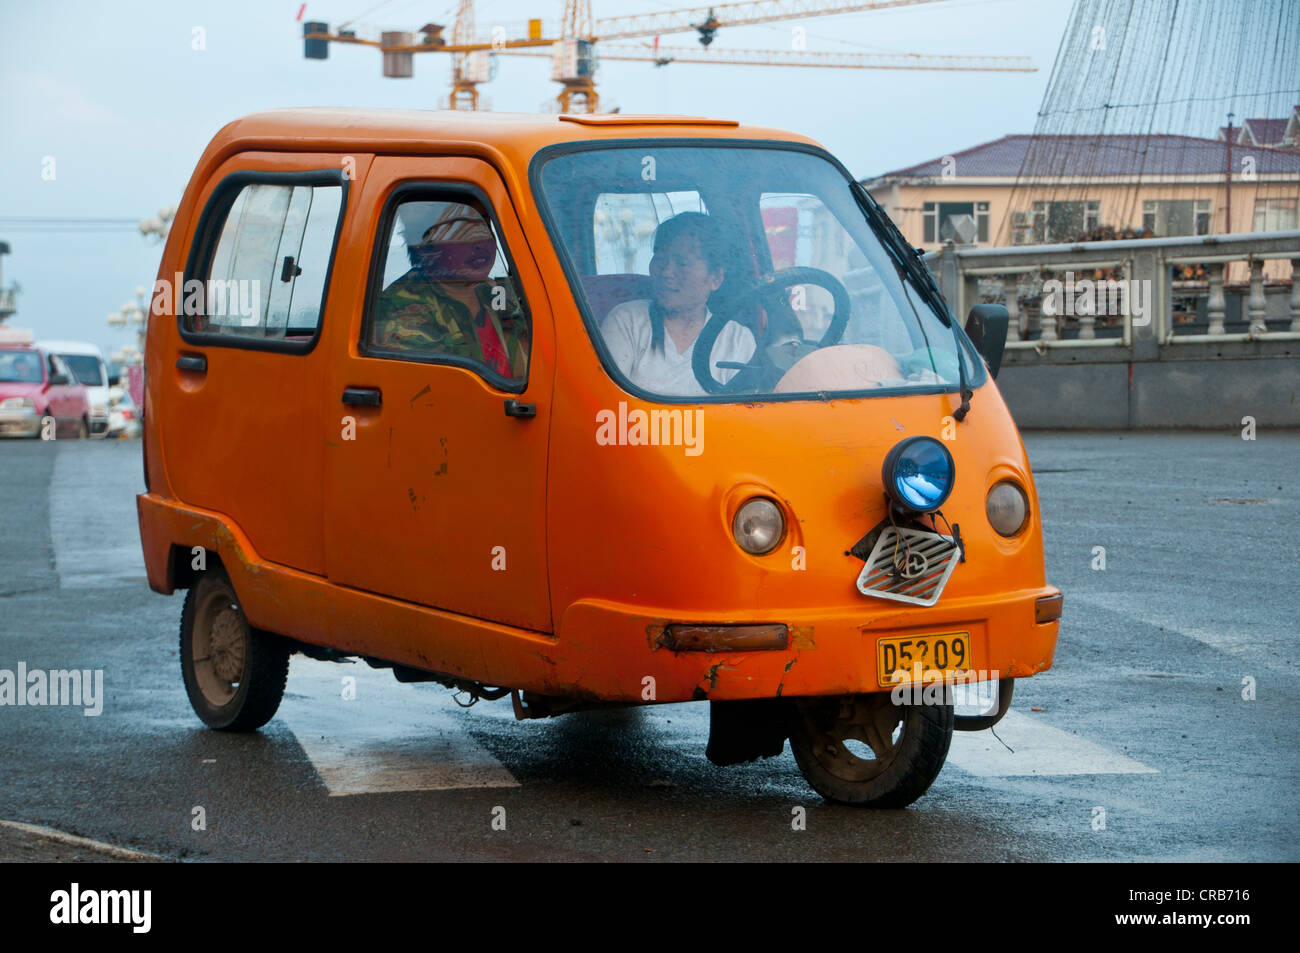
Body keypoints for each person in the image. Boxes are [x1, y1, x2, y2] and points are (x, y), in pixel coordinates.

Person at [602, 212, 755, 396]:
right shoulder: (627, 322)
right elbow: (607, 402)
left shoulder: (737, 340)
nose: (666, 272)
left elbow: (743, 415)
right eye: (660, 259)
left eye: (682, 263)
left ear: (715, 278)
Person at [372, 203, 528, 379]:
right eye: (458, 228)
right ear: (424, 246)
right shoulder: (402, 306)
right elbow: (435, 390)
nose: (479, 242)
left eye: (484, 224)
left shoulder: (495, 294)